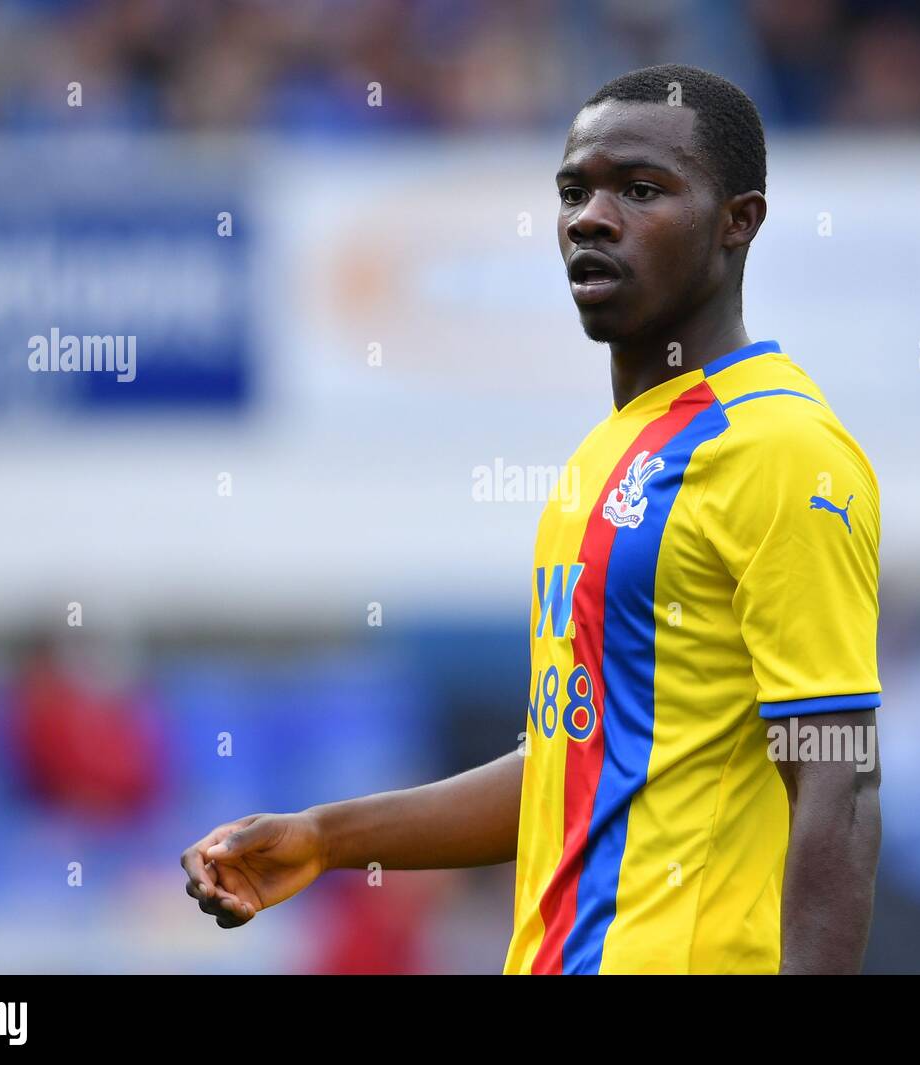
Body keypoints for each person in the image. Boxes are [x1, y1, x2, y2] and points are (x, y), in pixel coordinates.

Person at [182, 63, 883, 975]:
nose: (591, 217)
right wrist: (327, 836)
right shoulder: (611, 454)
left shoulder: (780, 448)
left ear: (737, 221)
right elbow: (572, 766)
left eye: (640, 189)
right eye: (573, 190)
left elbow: (840, 777)